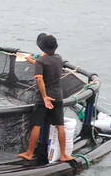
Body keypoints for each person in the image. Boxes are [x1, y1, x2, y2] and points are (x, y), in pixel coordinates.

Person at [17, 32, 74, 163]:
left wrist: (45, 97)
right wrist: (32, 61)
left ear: (42, 48)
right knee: (60, 125)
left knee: (36, 124)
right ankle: (64, 155)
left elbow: (39, 79)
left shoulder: (41, 61)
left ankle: (30, 153)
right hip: (58, 96)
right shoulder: (59, 58)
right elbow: (45, 63)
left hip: (44, 98)